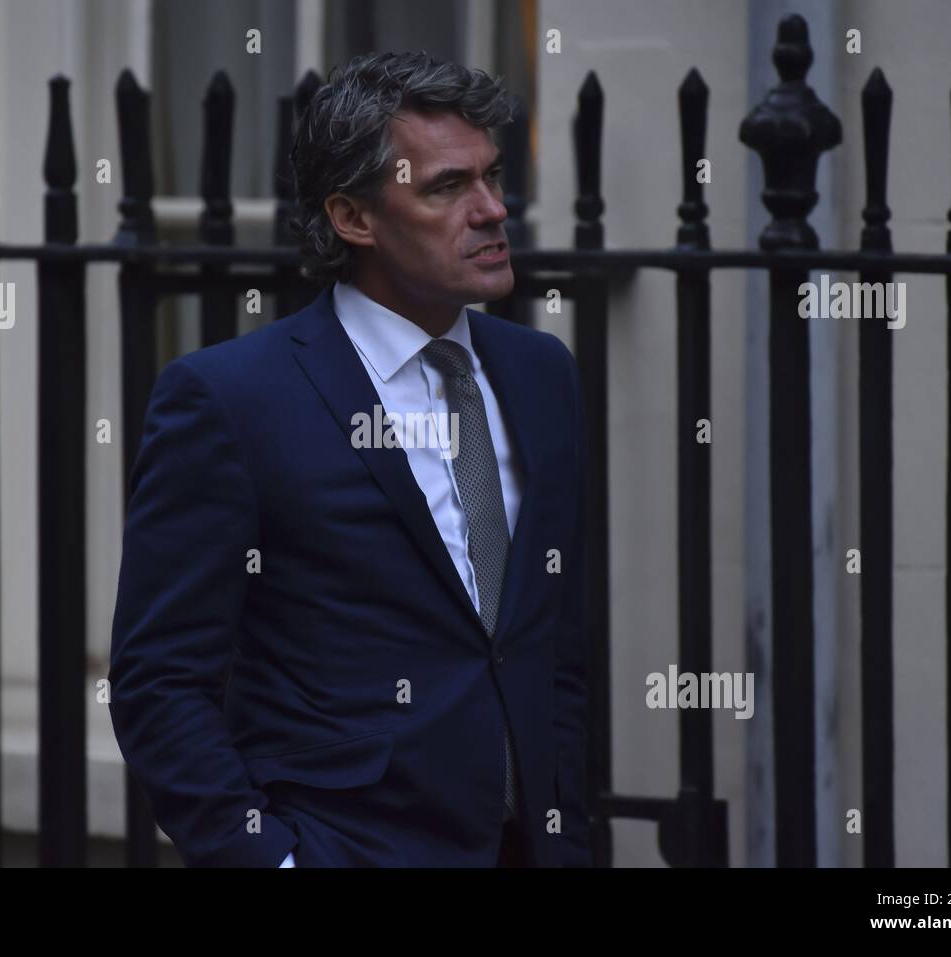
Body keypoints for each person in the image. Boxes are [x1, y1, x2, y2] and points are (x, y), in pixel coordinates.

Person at [108, 50, 590, 867]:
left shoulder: (544, 374)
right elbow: (159, 684)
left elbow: (555, 643)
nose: (492, 210)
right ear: (353, 218)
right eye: (447, 186)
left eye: (493, 176)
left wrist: (569, 830)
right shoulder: (231, 399)